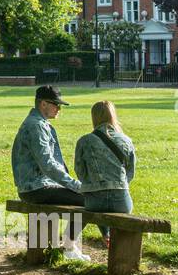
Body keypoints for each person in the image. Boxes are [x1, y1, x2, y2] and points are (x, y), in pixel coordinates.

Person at [11, 85, 89, 261]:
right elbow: (48, 165)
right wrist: (76, 185)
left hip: (36, 186)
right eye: (56, 104)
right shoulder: (36, 126)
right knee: (87, 199)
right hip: (36, 188)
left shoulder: (38, 123)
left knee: (83, 197)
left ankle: (65, 246)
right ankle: (69, 247)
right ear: (43, 104)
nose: (59, 108)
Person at [74, 100, 136, 250]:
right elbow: (130, 172)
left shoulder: (84, 141)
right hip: (121, 199)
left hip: (94, 202)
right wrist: (119, 184)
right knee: (119, 209)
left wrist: (92, 184)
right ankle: (118, 247)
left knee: (99, 203)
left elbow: (79, 171)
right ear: (113, 115)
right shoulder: (126, 140)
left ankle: (106, 234)